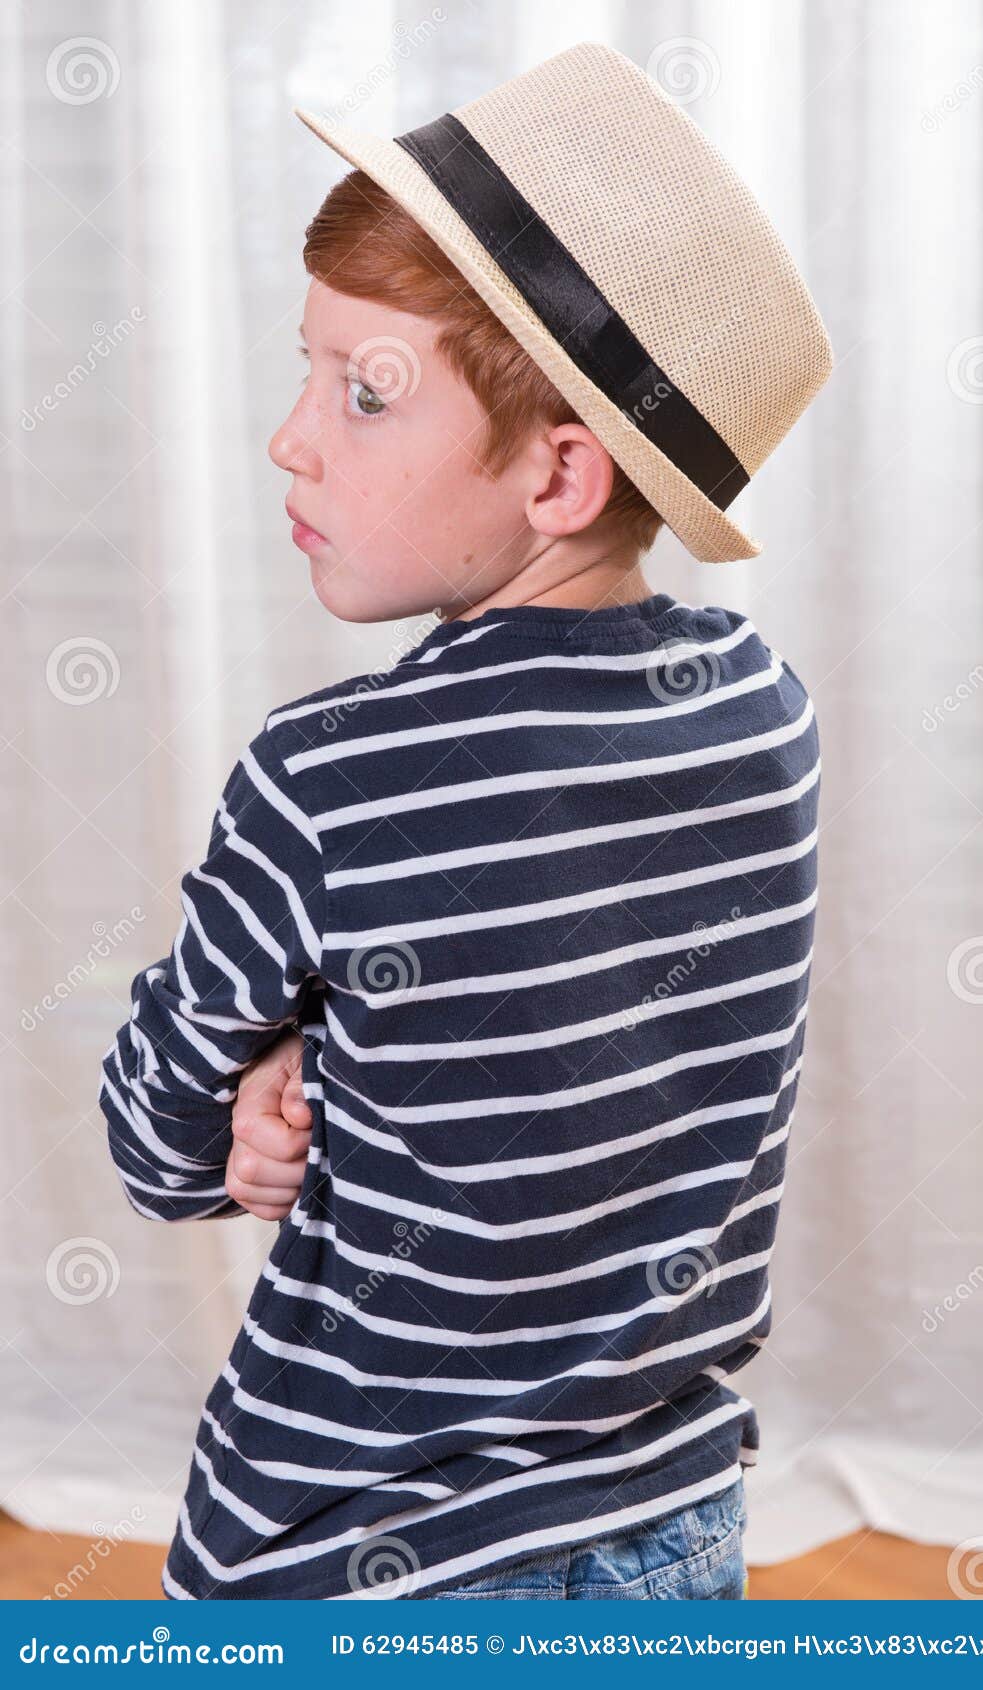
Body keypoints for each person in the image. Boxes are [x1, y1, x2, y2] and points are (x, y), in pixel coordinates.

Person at [98, 40, 831, 1601]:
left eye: (365, 393)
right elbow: (583, 1054)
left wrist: (258, 1083)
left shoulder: (327, 778)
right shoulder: (772, 714)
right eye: (306, 369)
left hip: (363, 1559)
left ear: (561, 471)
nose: (293, 437)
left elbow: (157, 1146)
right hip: (673, 1527)